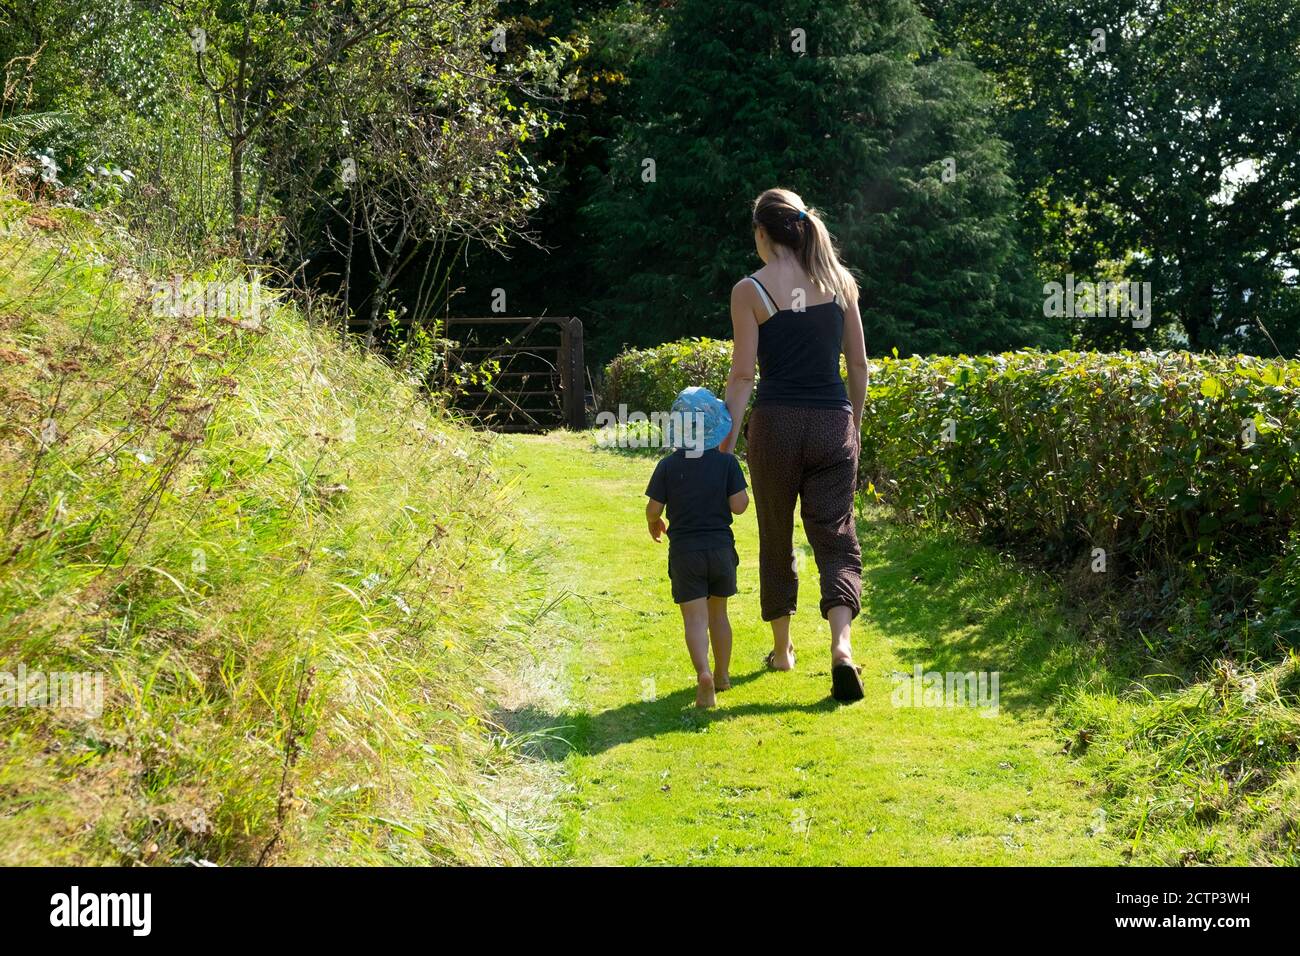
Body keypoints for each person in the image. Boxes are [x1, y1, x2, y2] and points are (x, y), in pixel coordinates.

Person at [718, 188, 869, 703]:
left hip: (776, 425)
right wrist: (854, 426)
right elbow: (859, 366)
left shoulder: (750, 290)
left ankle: (782, 650)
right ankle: (842, 646)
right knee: (836, 537)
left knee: (775, 533)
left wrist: (726, 443)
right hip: (833, 423)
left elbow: (742, 376)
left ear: (763, 233)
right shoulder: (841, 283)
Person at [645, 387, 750, 708]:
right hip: (720, 551)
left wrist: (654, 523)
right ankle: (722, 675)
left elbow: (653, 509)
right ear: (715, 427)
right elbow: (740, 506)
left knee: (695, 620)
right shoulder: (726, 464)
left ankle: (702, 673)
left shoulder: (667, 466)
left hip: (685, 553)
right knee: (720, 616)